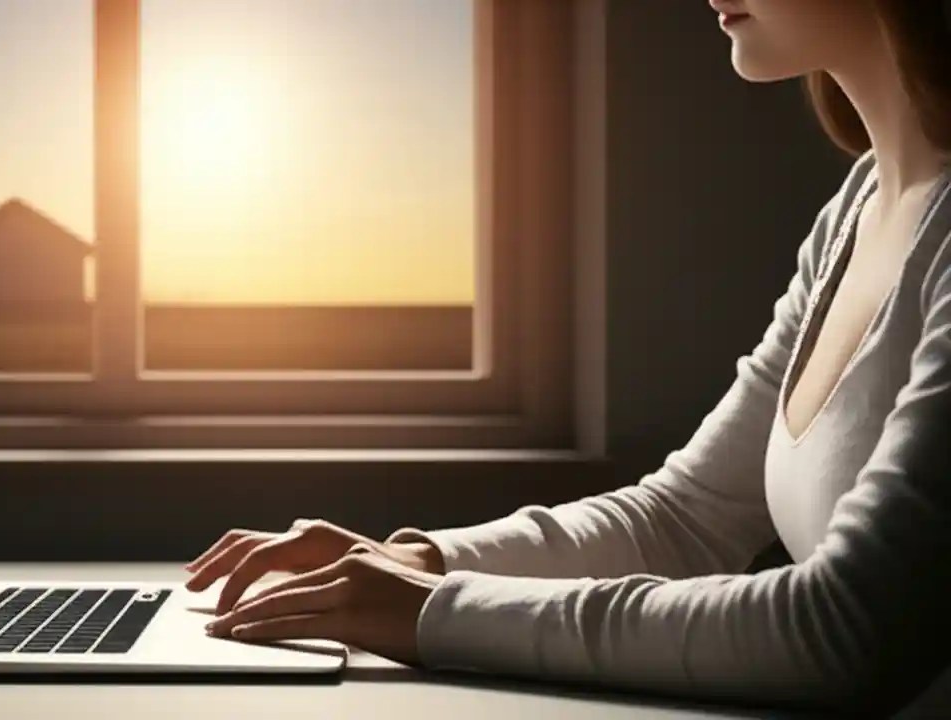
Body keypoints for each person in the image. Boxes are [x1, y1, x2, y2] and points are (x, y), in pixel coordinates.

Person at [183, 1, 951, 713]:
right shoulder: (858, 210)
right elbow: (684, 520)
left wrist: (430, 613)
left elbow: (850, 625)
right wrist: (419, 561)